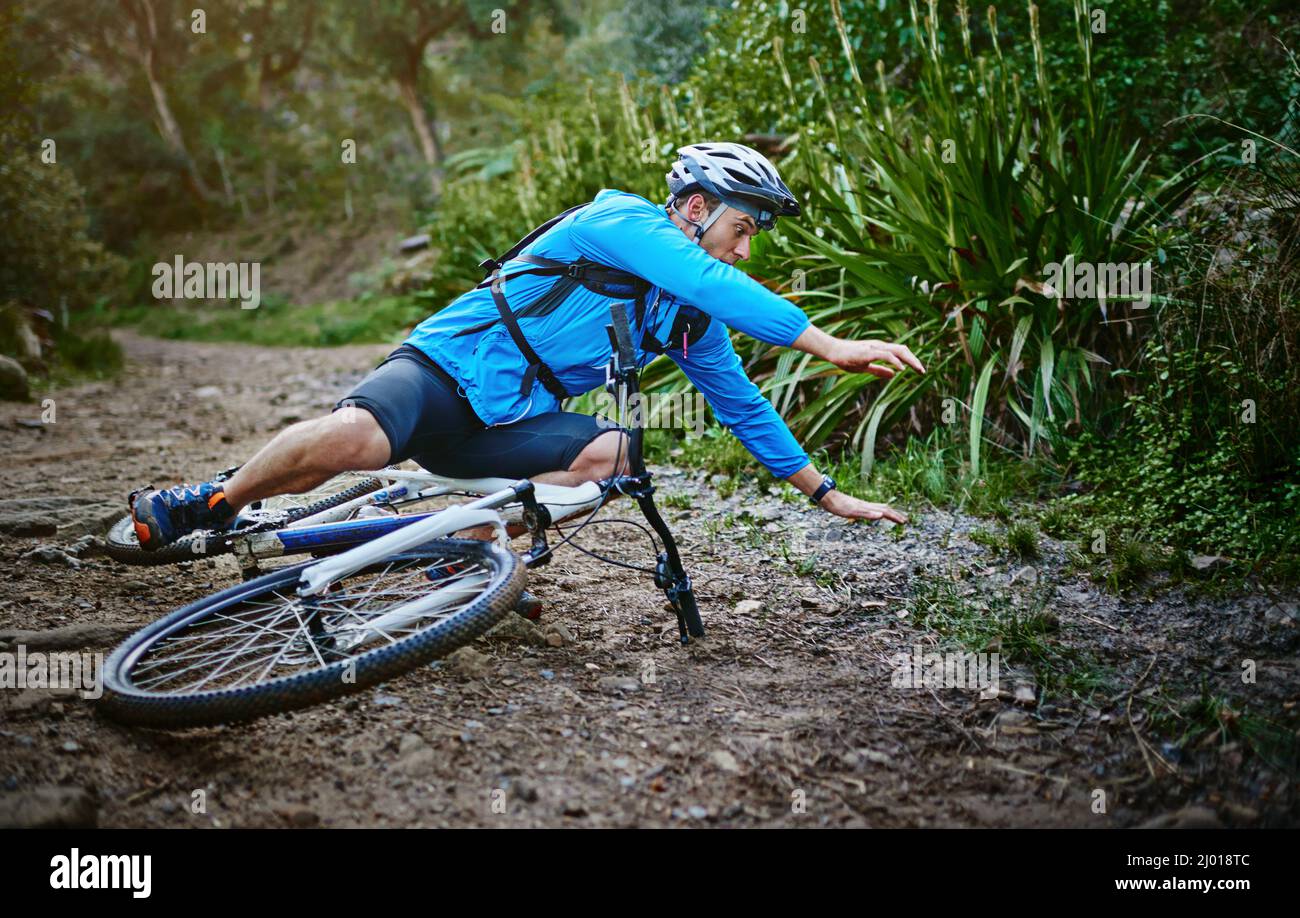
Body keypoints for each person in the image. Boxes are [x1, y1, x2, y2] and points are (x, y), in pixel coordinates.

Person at [130, 141, 924, 553]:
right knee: (359, 439)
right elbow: (713, 281)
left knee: (617, 453)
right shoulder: (621, 221)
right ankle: (211, 501)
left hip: (503, 425)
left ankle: (468, 548)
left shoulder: (684, 316)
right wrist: (828, 343)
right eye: (741, 228)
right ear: (692, 207)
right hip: (447, 370)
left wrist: (826, 493)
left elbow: (742, 404)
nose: (745, 250)